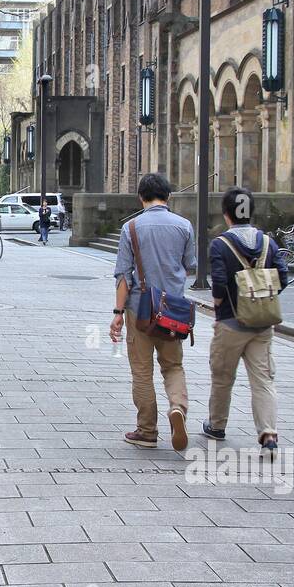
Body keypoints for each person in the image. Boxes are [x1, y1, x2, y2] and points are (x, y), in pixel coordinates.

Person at [109, 173, 196, 451]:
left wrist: (118, 313)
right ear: (168, 197)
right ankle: (178, 408)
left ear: (141, 198)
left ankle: (147, 431)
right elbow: (189, 264)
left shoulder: (131, 228)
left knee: (142, 372)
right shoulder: (184, 226)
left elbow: (124, 276)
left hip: (140, 311)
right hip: (173, 311)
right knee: (173, 366)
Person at [202, 187, 289, 456]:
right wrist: (261, 297)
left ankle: (217, 425)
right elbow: (282, 278)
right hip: (262, 324)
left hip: (230, 321)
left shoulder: (220, 244)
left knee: (222, 377)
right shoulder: (268, 243)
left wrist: (218, 307)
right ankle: (269, 435)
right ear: (251, 212)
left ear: (226, 215)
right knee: (263, 380)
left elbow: (217, 283)